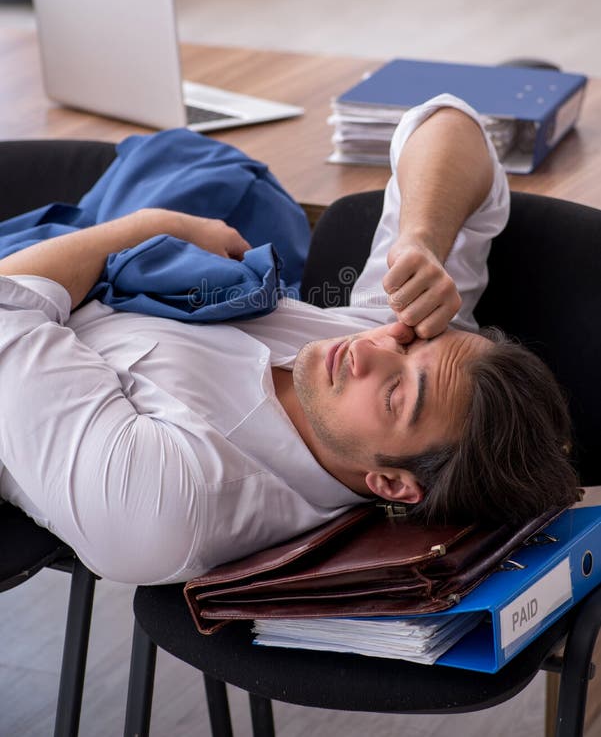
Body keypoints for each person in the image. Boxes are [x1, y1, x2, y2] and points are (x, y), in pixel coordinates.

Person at [0, 95, 579, 585]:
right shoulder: (394, 360)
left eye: (395, 393)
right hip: (70, 264)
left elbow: (8, 308)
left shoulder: (172, 501)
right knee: (210, 168)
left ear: (391, 484)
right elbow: (449, 122)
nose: (371, 351)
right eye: (409, 343)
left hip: (34, 288)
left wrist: (156, 228)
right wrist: (421, 239)